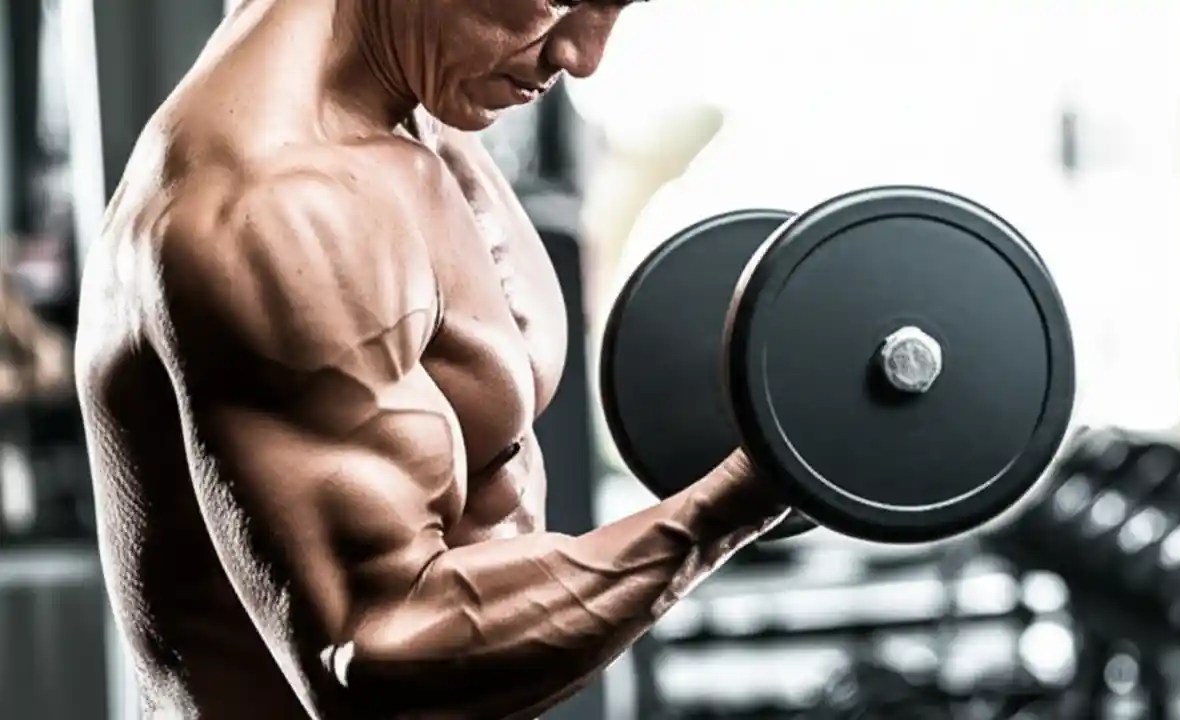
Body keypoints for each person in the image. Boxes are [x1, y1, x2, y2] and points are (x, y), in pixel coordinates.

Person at [75, 1, 789, 717]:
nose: (583, 57)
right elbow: (378, 654)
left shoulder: (417, 97)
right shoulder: (272, 209)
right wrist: (738, 501)